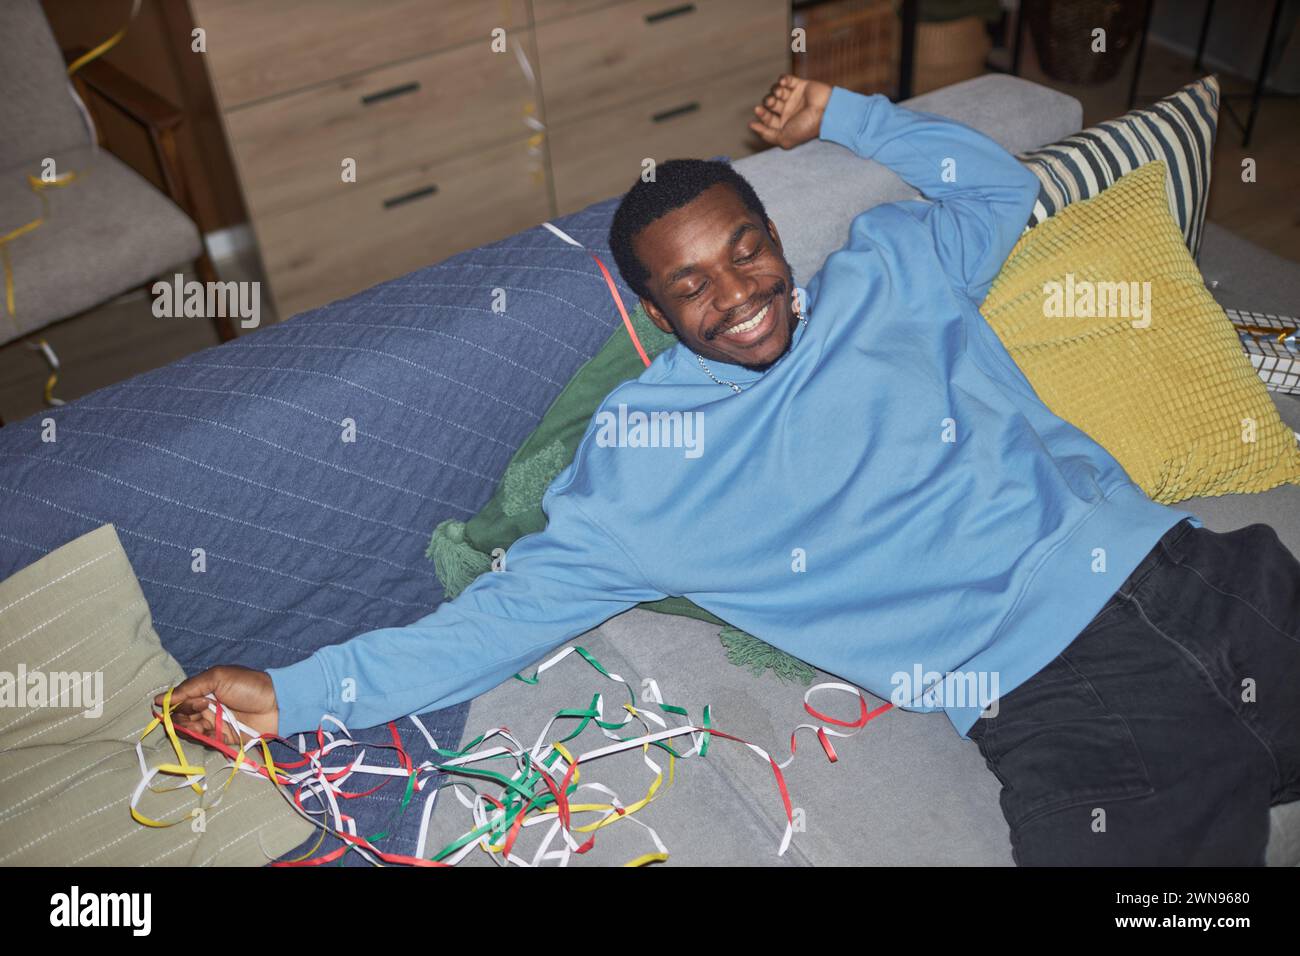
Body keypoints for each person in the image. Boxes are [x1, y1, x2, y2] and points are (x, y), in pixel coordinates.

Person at [160, 75, 1300, 865]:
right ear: (656, 309)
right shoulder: (641, 472)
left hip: (1198, 577)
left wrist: (847, 117)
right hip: (1062, 703)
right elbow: (491, 624)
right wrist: (295, 691)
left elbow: (997, 187)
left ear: (771, 235)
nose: (736, 291)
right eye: (692, 284)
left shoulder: (889, 271)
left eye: (744, 249)